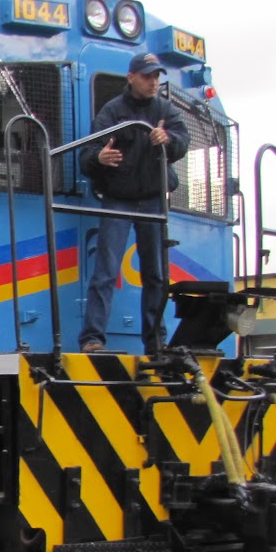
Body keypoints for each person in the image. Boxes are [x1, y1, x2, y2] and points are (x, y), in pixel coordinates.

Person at [78, 52, 190, 354]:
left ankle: (156, 343)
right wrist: (99, 157)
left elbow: (183, 140)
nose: (153, 82)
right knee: (106, 271)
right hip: (118, 200)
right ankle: (92, 338)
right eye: (147, 76)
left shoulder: (165, 109)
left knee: (156, 274)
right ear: (131, 78)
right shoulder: (112, 112)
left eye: (156, 77)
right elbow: (86, 156)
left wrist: (168, 139)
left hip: (153, 201)